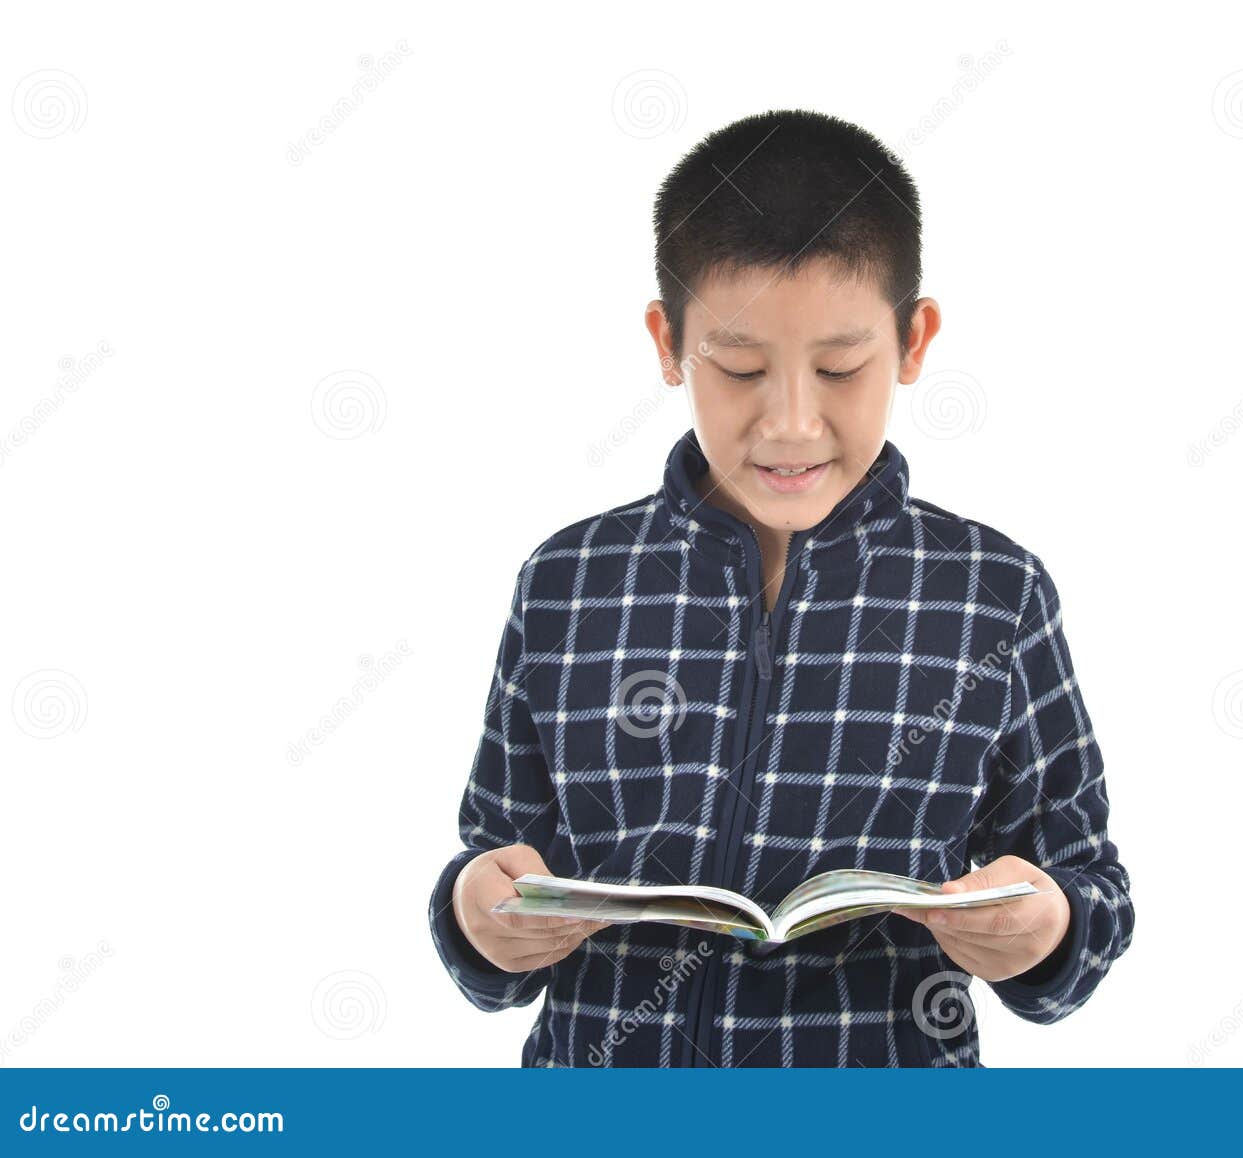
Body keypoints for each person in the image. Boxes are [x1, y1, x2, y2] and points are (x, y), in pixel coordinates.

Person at [427, 108, 1134, 1067]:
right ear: (668, 343)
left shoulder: (993, 595)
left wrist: (1046, 931)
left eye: (841, 368)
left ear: (914, 342)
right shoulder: (568, 582)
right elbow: (497, 861)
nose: (793, 424)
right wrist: (479, 918)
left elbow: (1088, 884)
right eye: (741, 368)